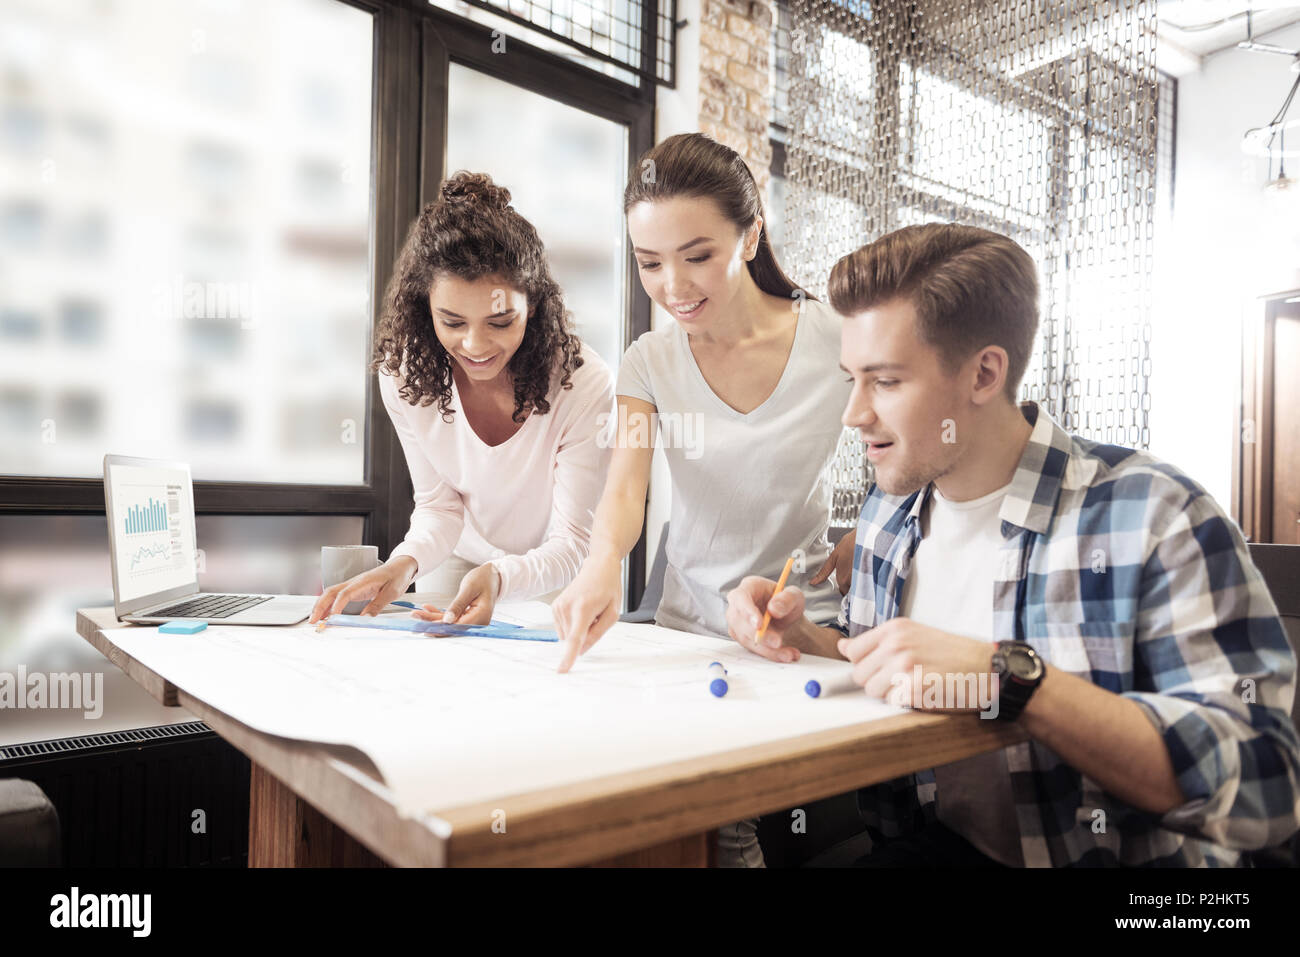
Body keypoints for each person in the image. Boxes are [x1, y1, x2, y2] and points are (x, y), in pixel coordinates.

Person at [726, 222, 1300, 866]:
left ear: (984, 373)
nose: (853, 413)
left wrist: (1015, 682)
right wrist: (806, 640)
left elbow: (1265, 788)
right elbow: (897, 667)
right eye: (850, 379)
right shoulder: (889, 514)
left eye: (884, 382)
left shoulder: (1154, 515)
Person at [551, 132, 855, 866]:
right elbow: (627, 486)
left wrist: (869, 532)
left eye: (697, 255)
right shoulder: (648, 360)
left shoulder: (835, 337)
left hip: (794, 628)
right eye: (649, 262)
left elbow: (907, 439)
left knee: (733, 822)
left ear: (750, 235)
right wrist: (598, 568)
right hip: (686, 628)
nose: (673, 286)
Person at [310, 172, 615, 627]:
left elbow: (573, 540)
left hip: (555, 566)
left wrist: (502, 577)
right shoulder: (405, 372)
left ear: (533, 305)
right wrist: (404, 563)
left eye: (499, 321)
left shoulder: (583, 383)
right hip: (456, 556)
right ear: (423, 308)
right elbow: (439, 505)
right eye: (452, 322)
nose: (475, 345)